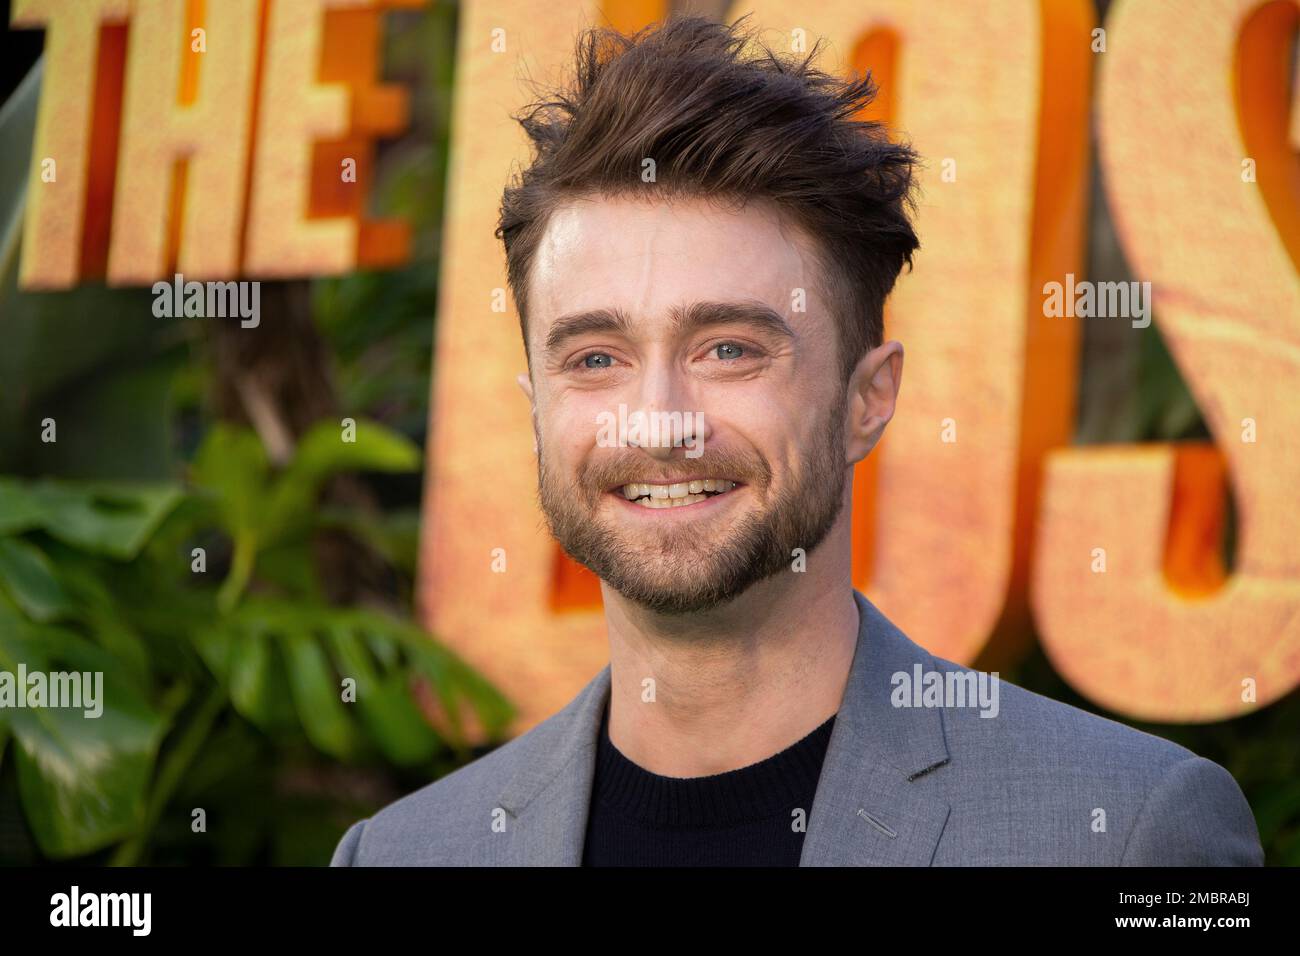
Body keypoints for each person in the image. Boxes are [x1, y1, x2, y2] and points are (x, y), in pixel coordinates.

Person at [331, 13, 1263, 866]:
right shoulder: (403, 854)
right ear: (534, 402)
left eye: (729, 349)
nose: (660, 419)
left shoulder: (1127, 828)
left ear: (869, 398)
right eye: (596, 357)